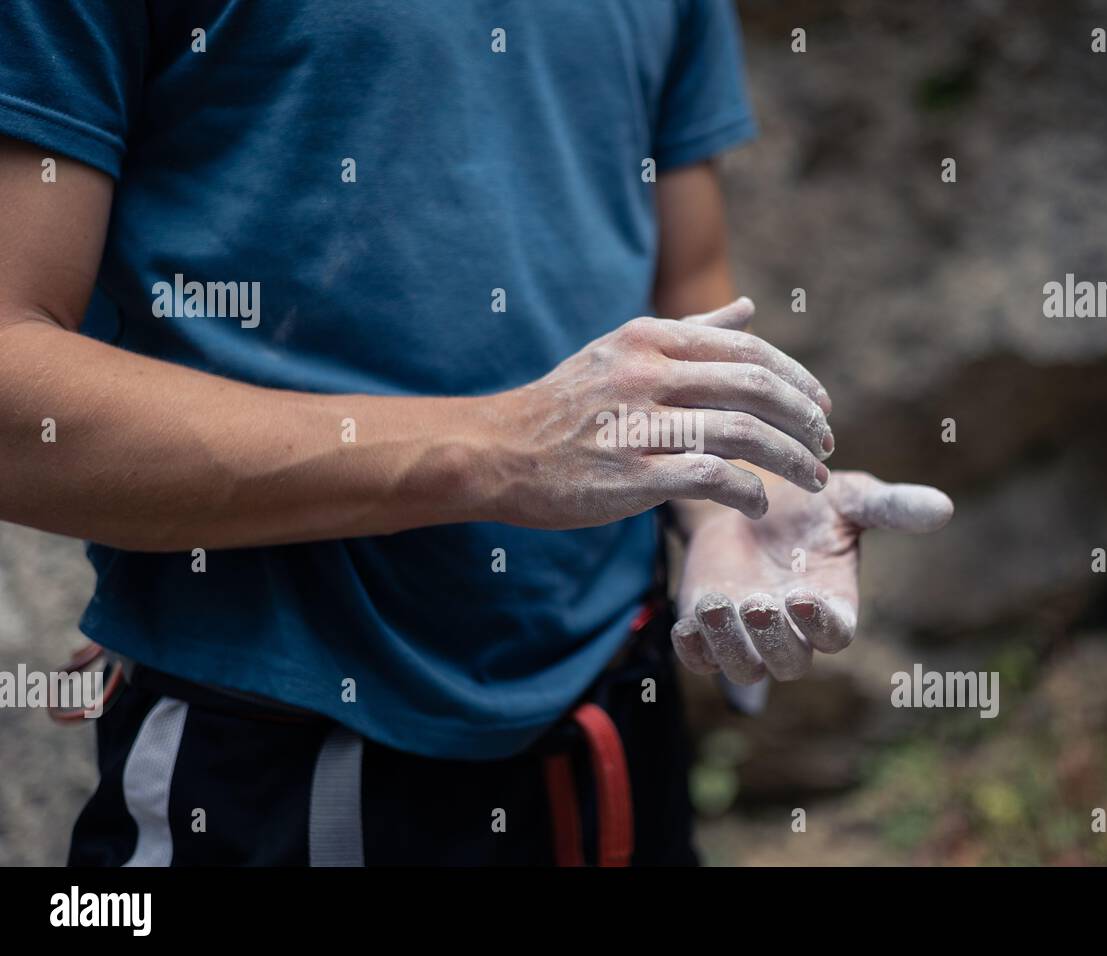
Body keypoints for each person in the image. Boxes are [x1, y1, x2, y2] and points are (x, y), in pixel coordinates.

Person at [0, 1, 951, 866]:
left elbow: (690, 289)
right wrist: (499, 450)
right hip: (284, 742)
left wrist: (738, 504)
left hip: (615, 726)